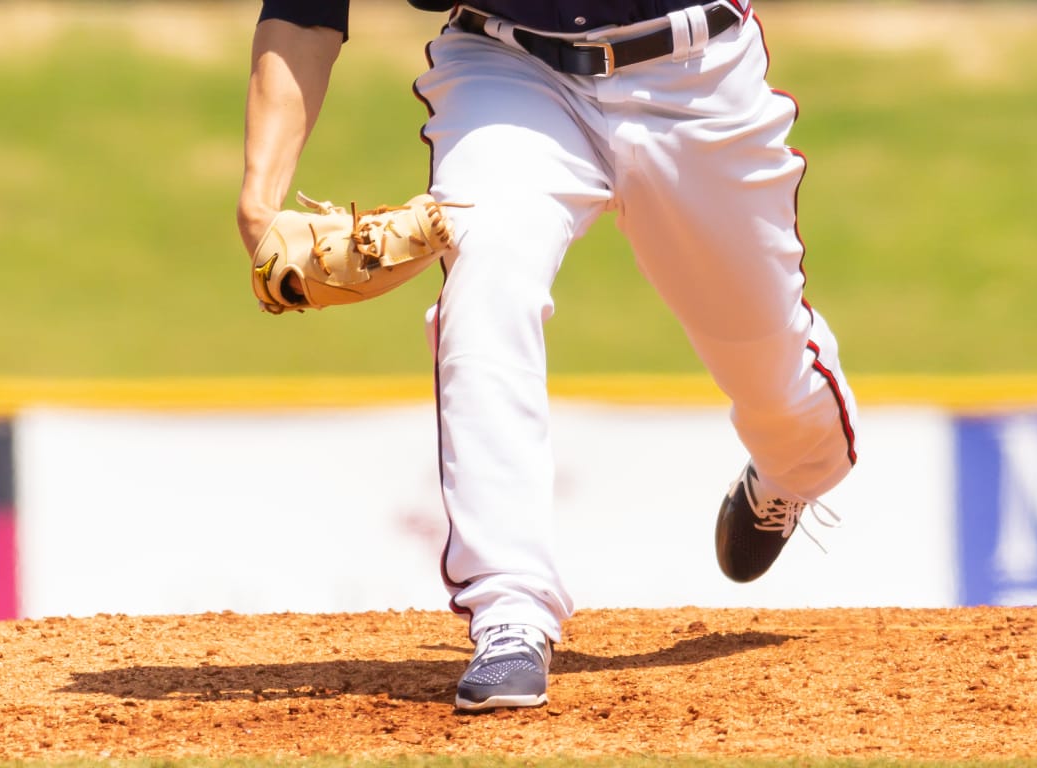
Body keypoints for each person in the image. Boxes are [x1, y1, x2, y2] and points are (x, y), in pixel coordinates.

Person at [236, 0, 859, 712]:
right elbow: (305, 10)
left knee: (768, 368)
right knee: (486, 271)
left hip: (696, 80)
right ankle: (510, 613)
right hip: (510, 70)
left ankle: (793, 465)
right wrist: (259, 205)